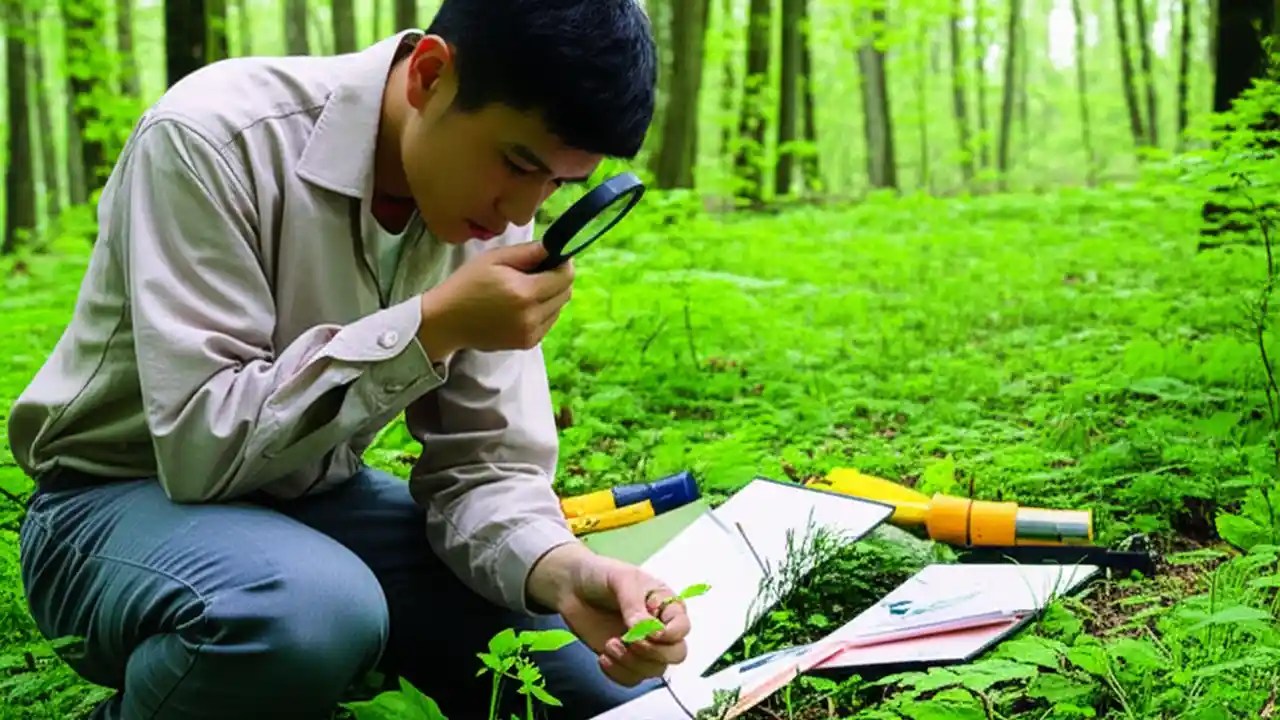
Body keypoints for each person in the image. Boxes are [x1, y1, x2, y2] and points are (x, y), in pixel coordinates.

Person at [8, 1, 688, 718]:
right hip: (110, 502)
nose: (522, 206)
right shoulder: (212, 137)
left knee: (593, 673)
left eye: (557, 184)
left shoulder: (491, 205)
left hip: (312, 503)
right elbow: (197, 447)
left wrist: (565, 570)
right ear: (429, 75)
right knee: (308, 613)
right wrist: (431, 328)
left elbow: (485, 467)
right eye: (518, 162)